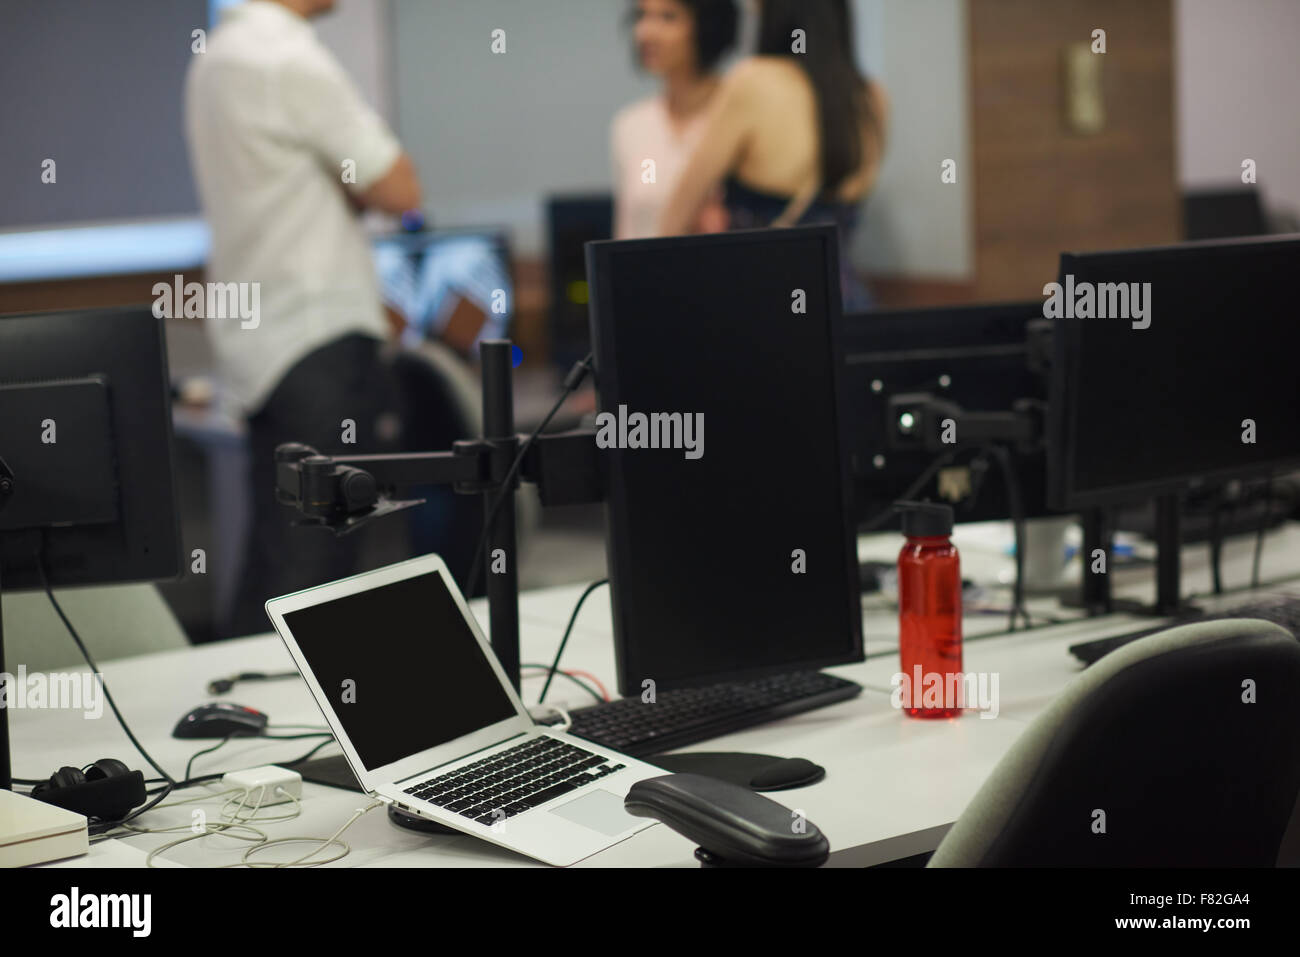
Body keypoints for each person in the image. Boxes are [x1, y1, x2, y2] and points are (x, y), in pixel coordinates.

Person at [184, 0, 422, 636]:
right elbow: (400, 190)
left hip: (264, 347)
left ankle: (244, 717)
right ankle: (307, 727)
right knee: (315, 573)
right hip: (318, 342)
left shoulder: (217, 57)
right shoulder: (290, 57)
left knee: (275, 558)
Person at [658, 0, 888, 309]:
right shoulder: (871, 97)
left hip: (764, 308)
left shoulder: (753, 82)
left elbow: (676, 219)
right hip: (845, 306)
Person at [611, 0, 739, 239]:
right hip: (647, 271)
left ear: (707, 25)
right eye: (642, 16)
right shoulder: (631, 125)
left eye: (668, 17)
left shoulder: (740, 117)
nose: (645, 32)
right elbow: (626, 231)